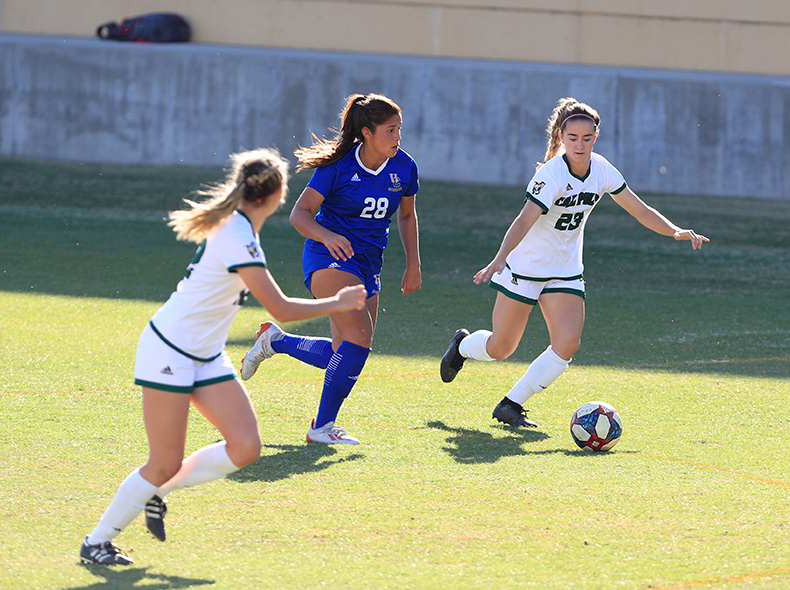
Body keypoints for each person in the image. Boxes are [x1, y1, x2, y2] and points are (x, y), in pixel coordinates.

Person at [79, 148, 367, 566]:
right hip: (170, 351)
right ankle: (98, 540)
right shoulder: (237, 235)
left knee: (246, 446)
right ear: (277, 194)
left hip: (205, 354)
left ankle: (156, 491)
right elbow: (281, 310)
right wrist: (337, 303)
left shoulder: (239, 228)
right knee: (163, 461)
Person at [438, 97, 708, 427]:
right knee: (501, 347)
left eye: (587, 138)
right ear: (561, 137)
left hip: (565, 270)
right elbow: (523, 221)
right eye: (573, 138)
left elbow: (639, 210)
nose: (580, 145)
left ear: (596, 136)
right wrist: (499, 260)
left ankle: (511, 404)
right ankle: (462, 346)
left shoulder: (603, 170)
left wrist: (676, 231)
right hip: (526, 268)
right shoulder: (550, 175)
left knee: (567, 344)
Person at [239, 93, 421, 445]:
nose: (398, 137)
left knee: (349, 351)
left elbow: (406, 215)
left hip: (369, 262)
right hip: (328, 258)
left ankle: (277, 341)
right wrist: (328, 235)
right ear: (367, 133)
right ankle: (321, 427)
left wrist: (413, 263)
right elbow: (299, 214)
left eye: (399, 129)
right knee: (359, 338)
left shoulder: (405, 167)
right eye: (390, 130)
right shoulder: (338, 167)